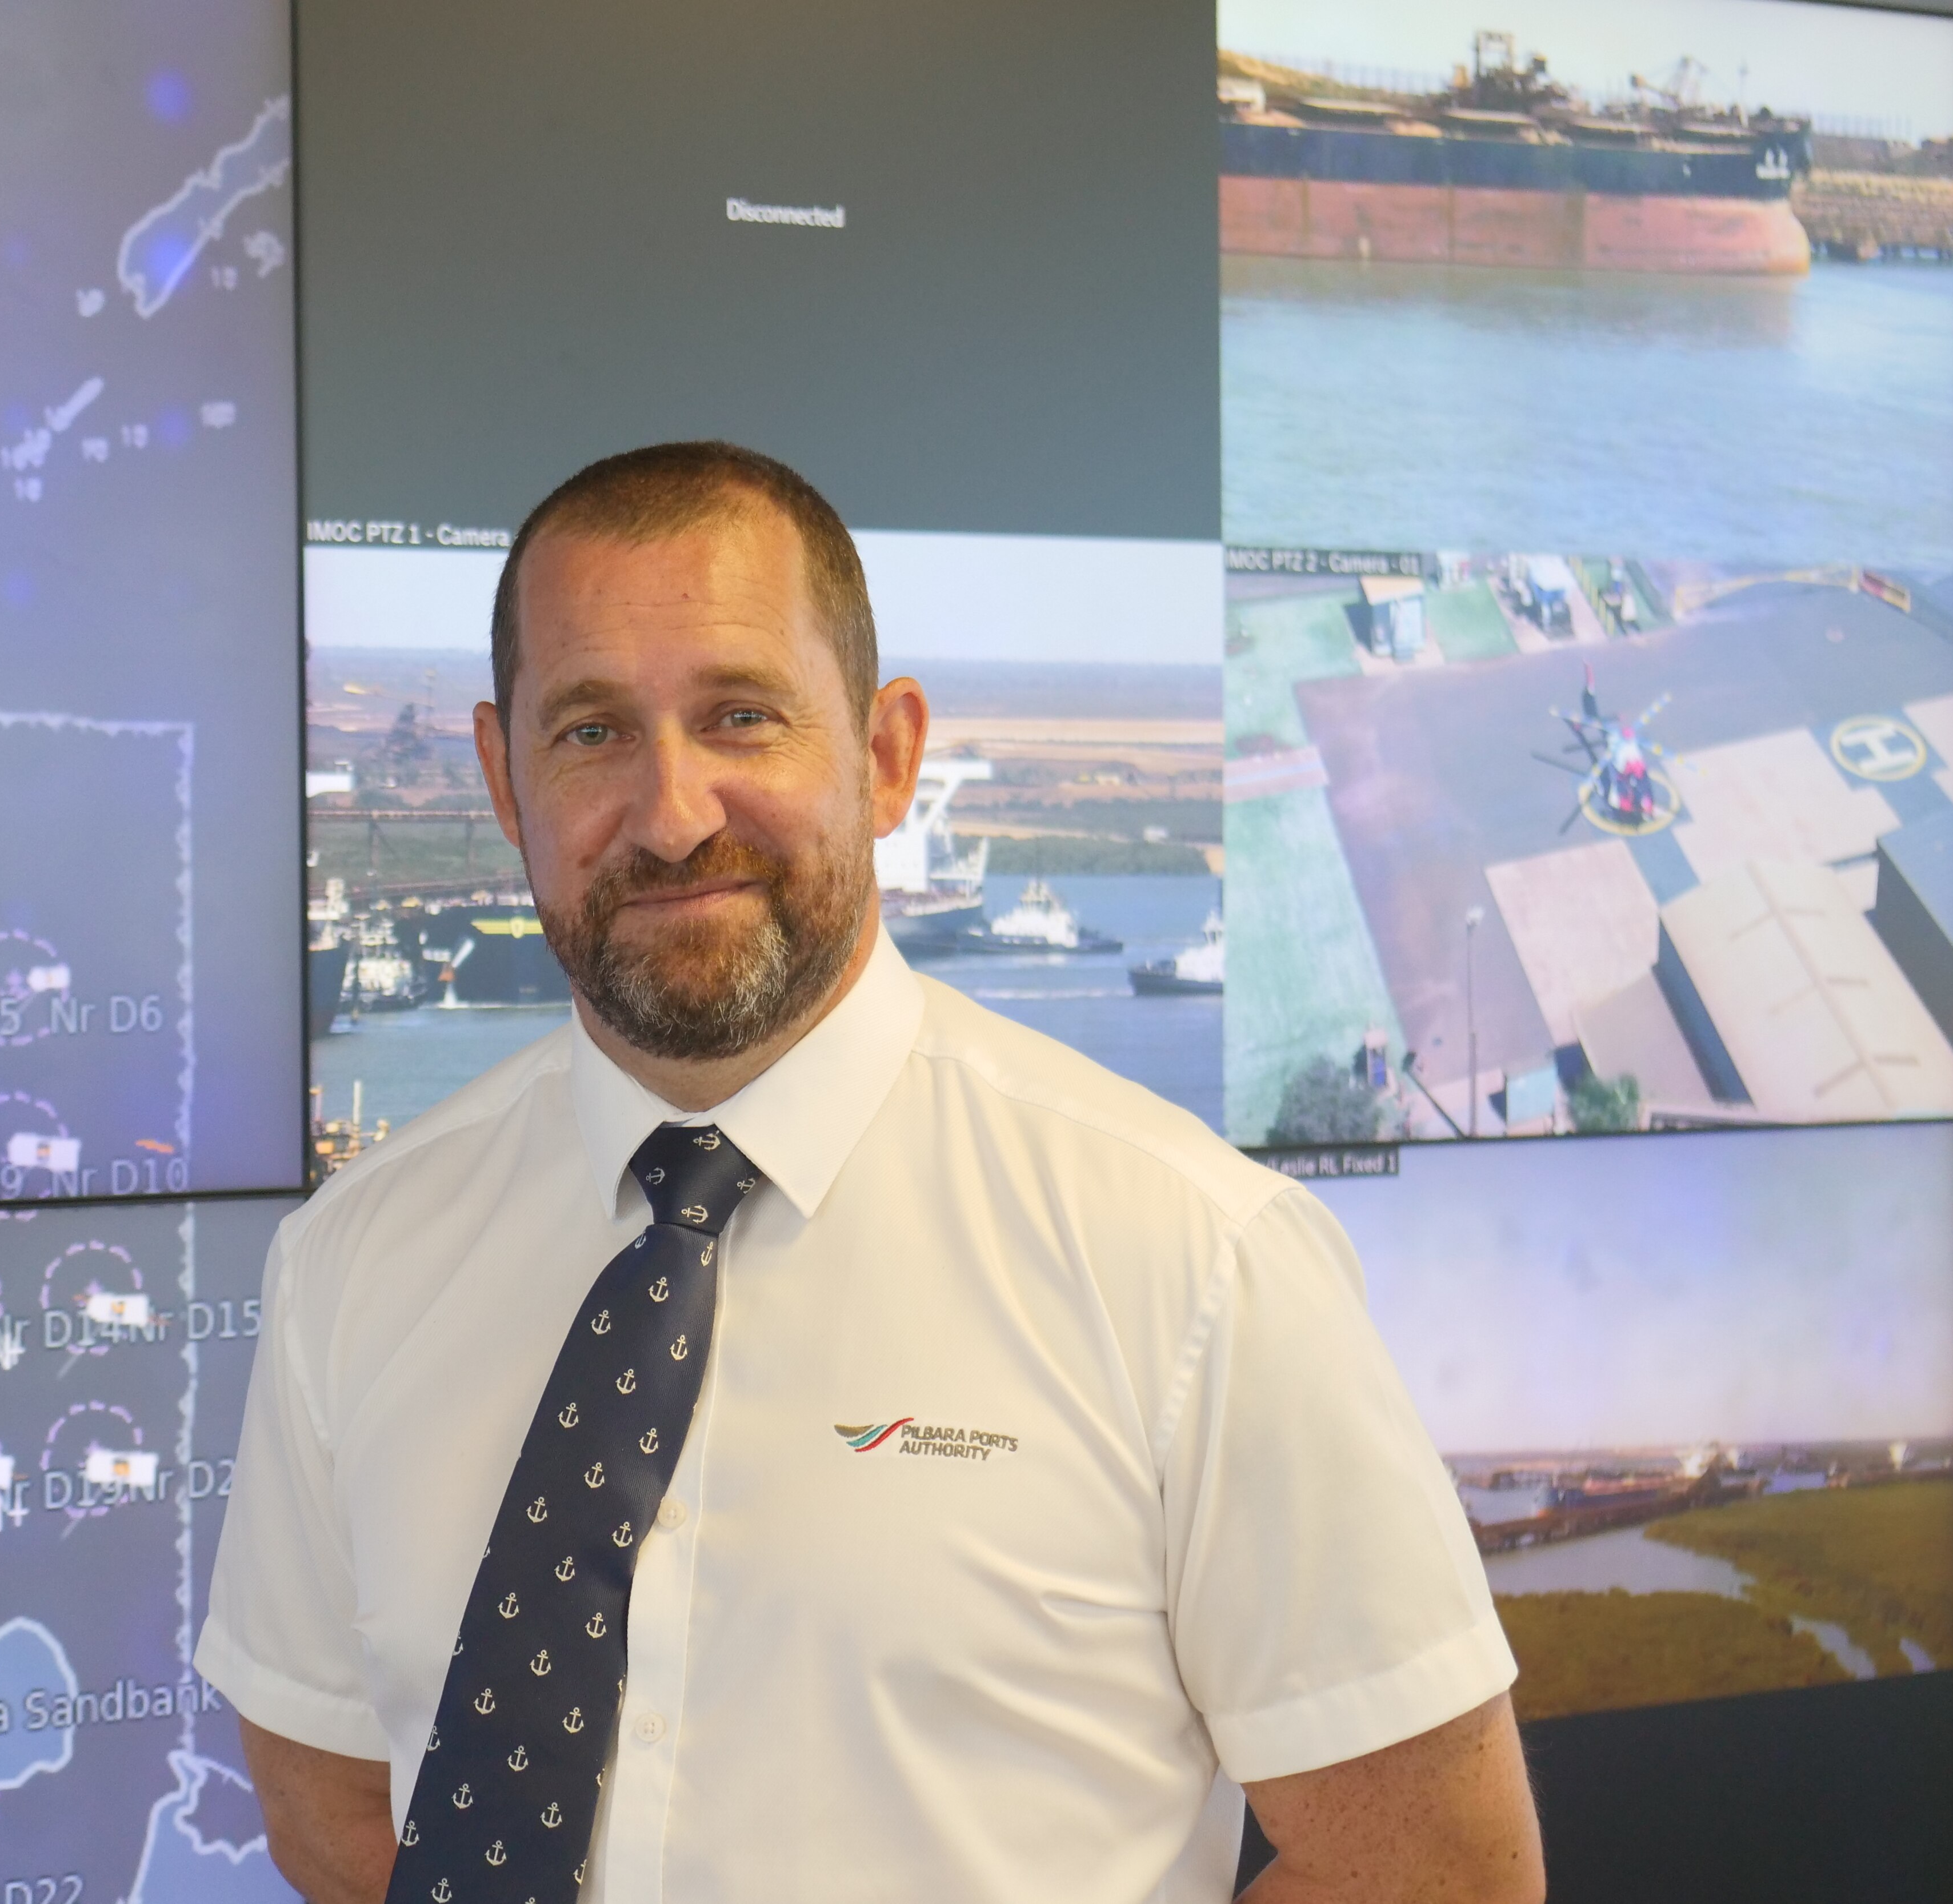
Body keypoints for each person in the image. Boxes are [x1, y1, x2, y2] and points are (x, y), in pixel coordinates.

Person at [199, 442, 1543, 1903]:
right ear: (502, 780)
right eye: (590, 731)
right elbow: (332, 1816)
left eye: (740, 715)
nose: (671, 812)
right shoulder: (356, 1262)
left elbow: (1435, 1870)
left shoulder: (1196, 1258)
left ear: (887, 754)